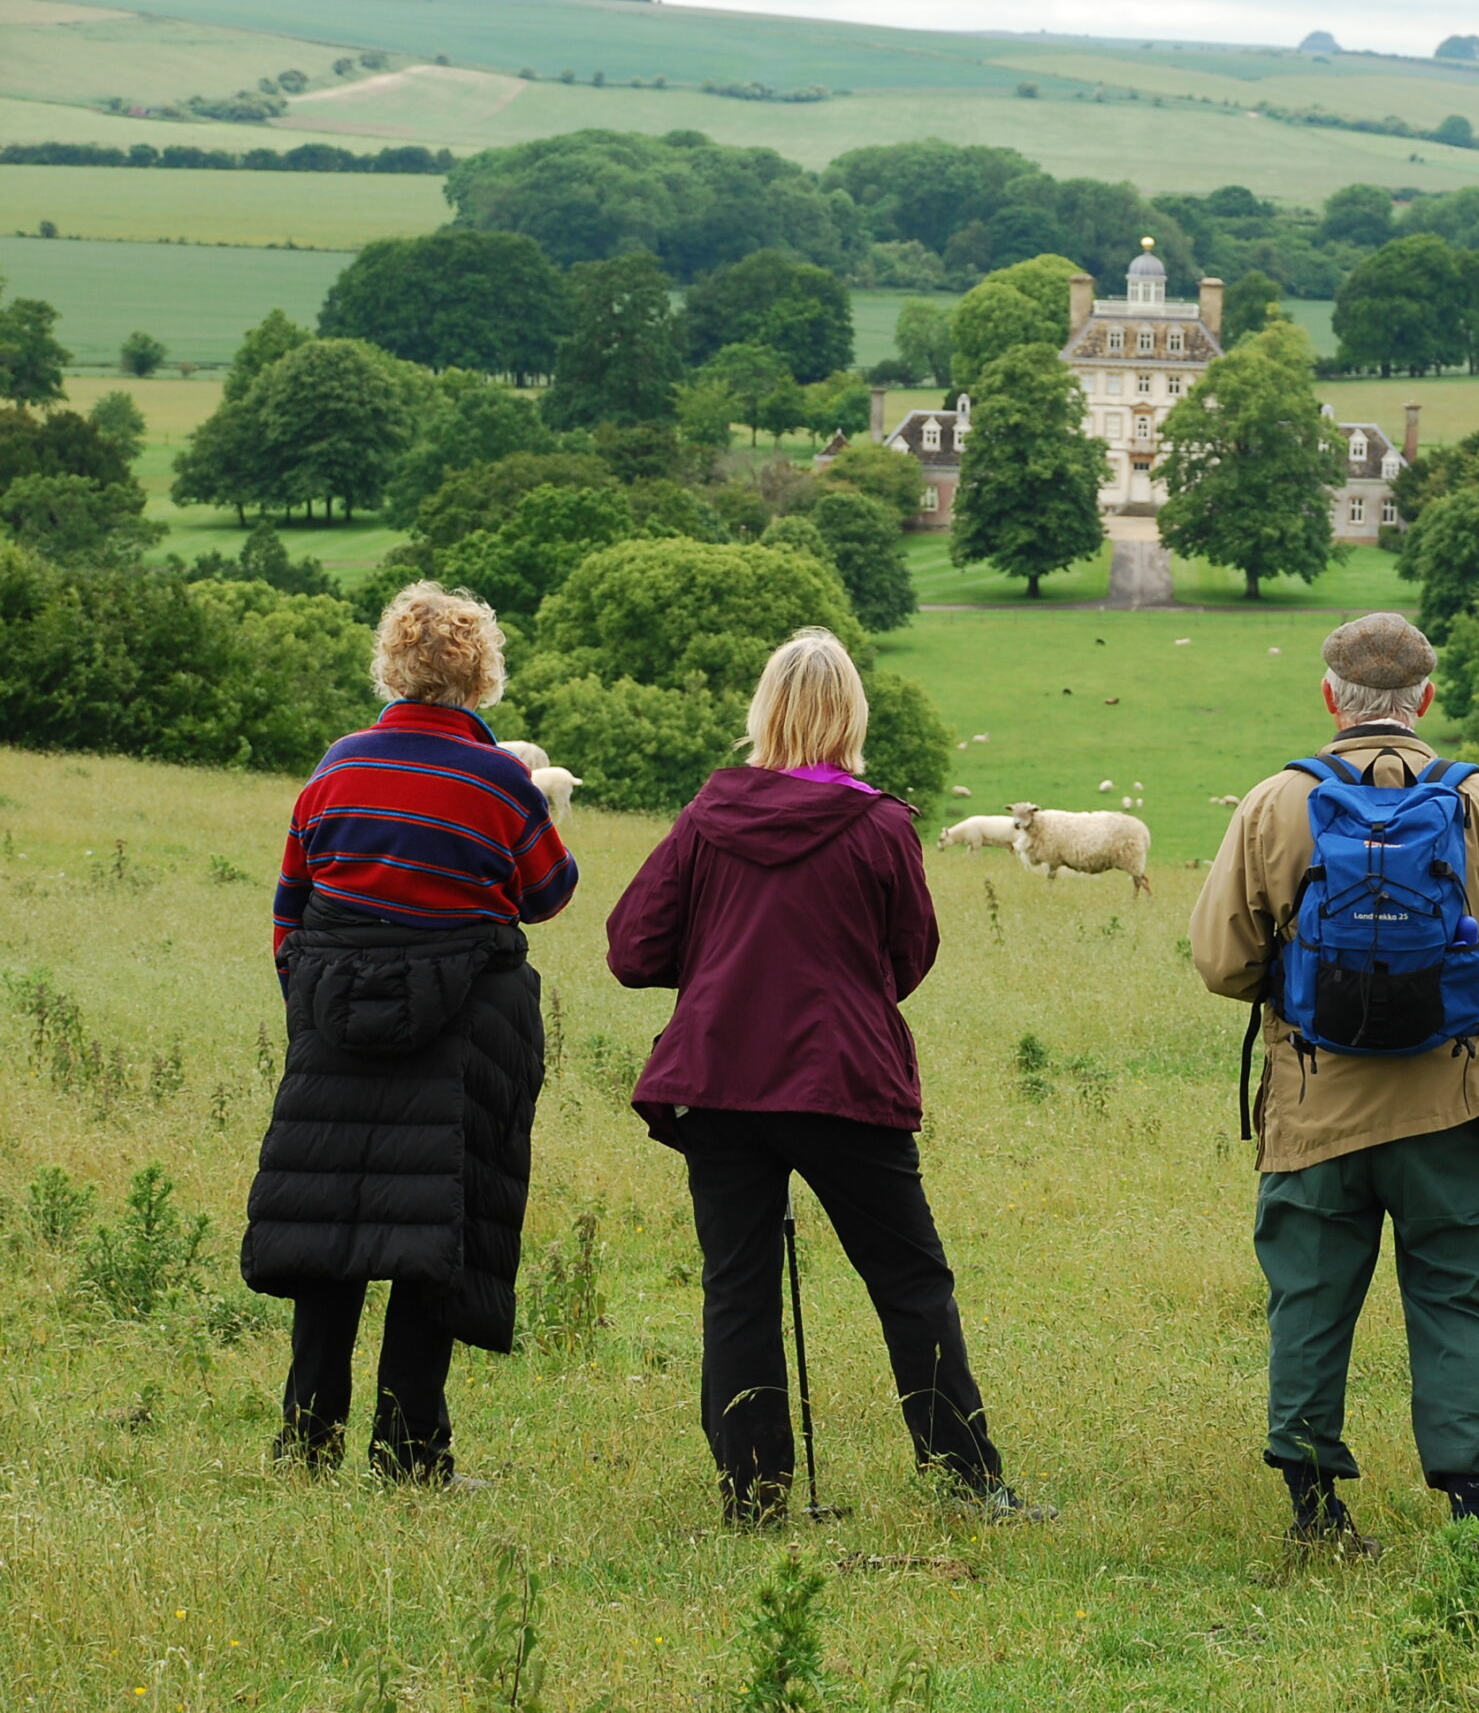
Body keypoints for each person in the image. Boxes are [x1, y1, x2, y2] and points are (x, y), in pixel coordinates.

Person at [605, 629, 1043, 1528]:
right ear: (852, 715)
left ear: (763, 712)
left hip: (720, 1081)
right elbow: (910, 952)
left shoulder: (705, 819)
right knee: (910, 1281)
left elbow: (631, 947)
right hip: (844, 1078)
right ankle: (968, 1485)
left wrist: (723, 962)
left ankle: (752, 1498)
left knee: (738, 1286)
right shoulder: (880, 825)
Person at [1191, 612, 1479, 1551]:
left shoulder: (1276, 803)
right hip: (1457, 1104)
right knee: (1463, 1299)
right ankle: (1476, 1514)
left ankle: (1316, 1511)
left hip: (1317, 1110)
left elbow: (1221, 964)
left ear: (1332, 697)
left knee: (1309, 1302)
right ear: (1423, 700)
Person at [243, 582, 577, 1484]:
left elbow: (290, 904)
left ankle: (306, 1441)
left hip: (333, 1024)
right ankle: (411, 1454)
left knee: (326, 1229)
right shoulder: (502, 779)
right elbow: (550, 894)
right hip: (462, 1031)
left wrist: (312, 996)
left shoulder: (337, 767)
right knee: (436, 1237)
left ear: (390, 664)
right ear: (481, 675)